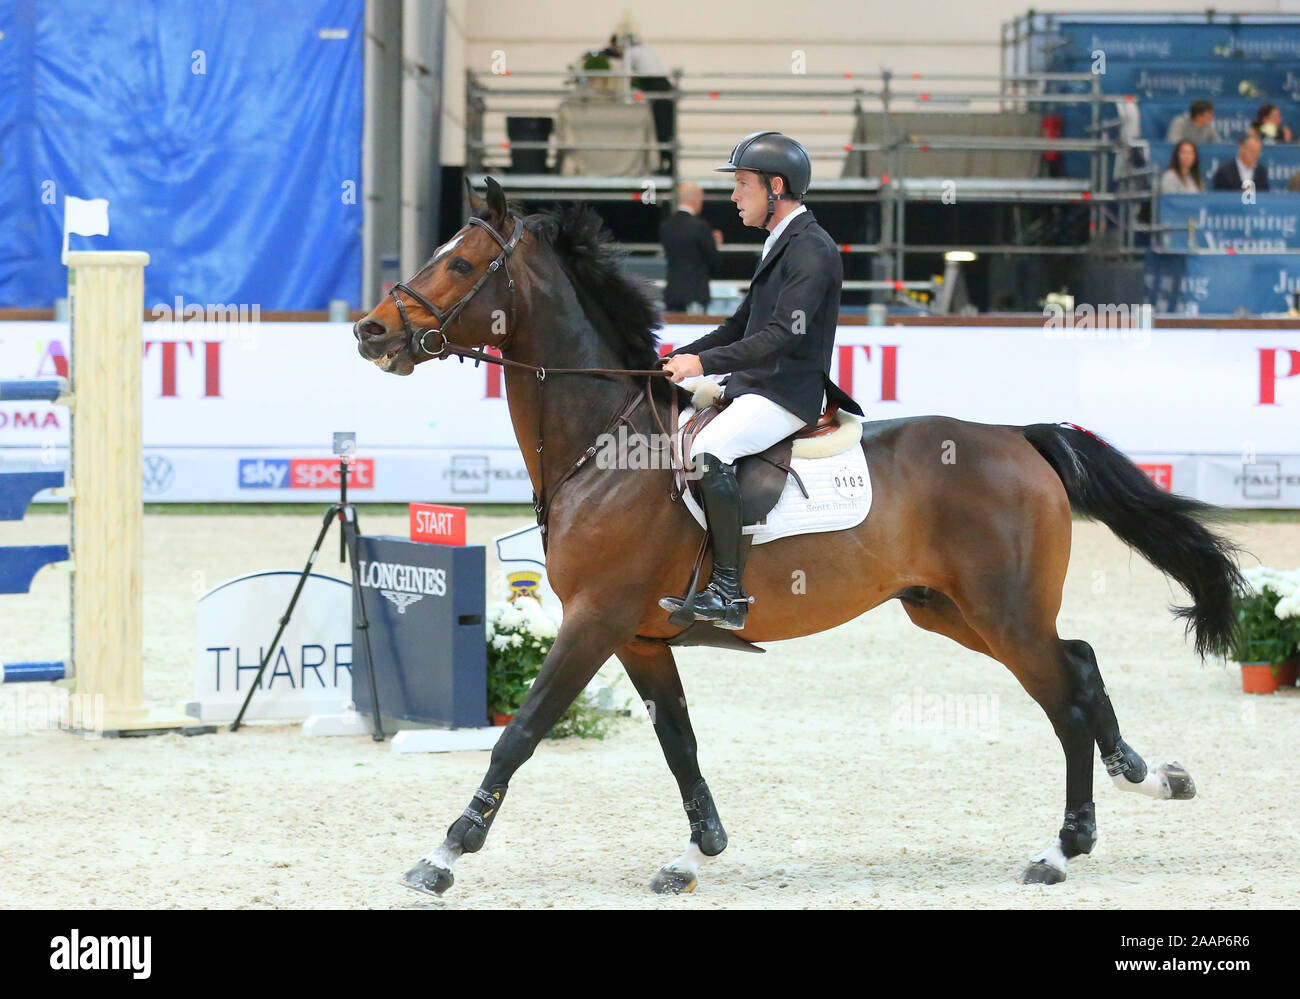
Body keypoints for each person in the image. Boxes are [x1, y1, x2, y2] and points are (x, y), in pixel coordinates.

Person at [658, 131, 863, 630]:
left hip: (785, 393)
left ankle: (729, 592)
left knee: (711, 453)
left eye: (742, 184)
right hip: (754, 384)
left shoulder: (811, 249)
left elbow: (777, 337)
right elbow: (737, 327)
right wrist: (674, 357)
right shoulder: (781, 242)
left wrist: (703, 367)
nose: (733, 196)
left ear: (776, 187)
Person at [660, 182, 722, 312]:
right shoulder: (700, 226)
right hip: (696, 294)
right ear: (695, 199)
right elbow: (713, 260)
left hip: (672, 293)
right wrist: (715, 244)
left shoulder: (666, 227)